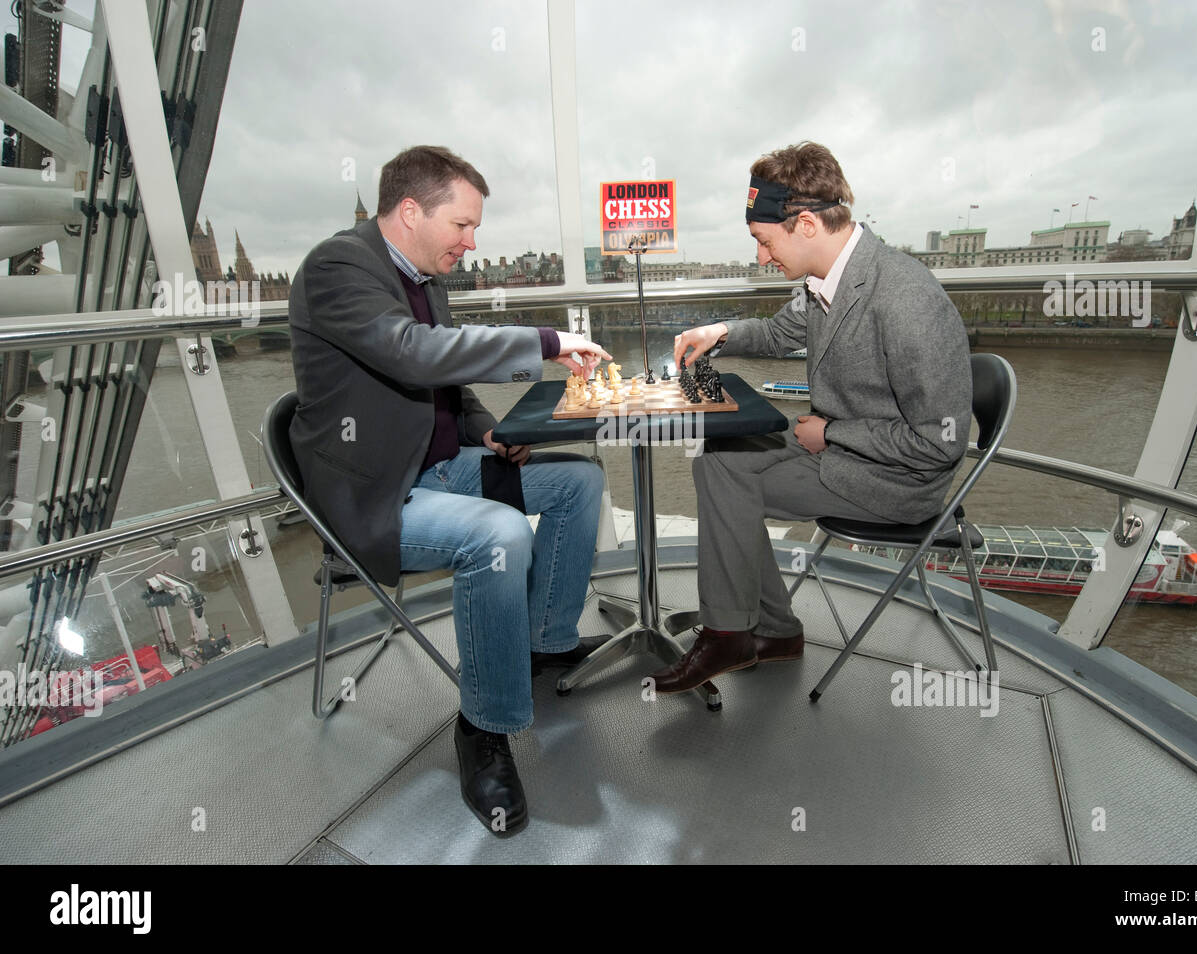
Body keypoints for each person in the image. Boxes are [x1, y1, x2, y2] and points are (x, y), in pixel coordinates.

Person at [287, 145, 611, 836]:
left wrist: (488, 432)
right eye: (463, 225)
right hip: (378, 492)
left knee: (579, 480)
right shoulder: (337, 267)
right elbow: (411, 353)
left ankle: (543, 639)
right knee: (496, 535)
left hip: (442, 466)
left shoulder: (425, 276)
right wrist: (547, 341)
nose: (472, 241)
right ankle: (482, 729)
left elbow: (446, 384)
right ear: (411, 210)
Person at [650, 141, 972, 693]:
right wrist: (720, 333)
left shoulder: (905, 299)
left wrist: (832, 431)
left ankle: (733, 634)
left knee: (726, 480)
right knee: (717, 462)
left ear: (803, 224)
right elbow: (779, 333)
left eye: (763, 241)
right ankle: (770, 631)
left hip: (892, 479)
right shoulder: (827, 281)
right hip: (844, 448)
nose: (760, 258)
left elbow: (940, 444)